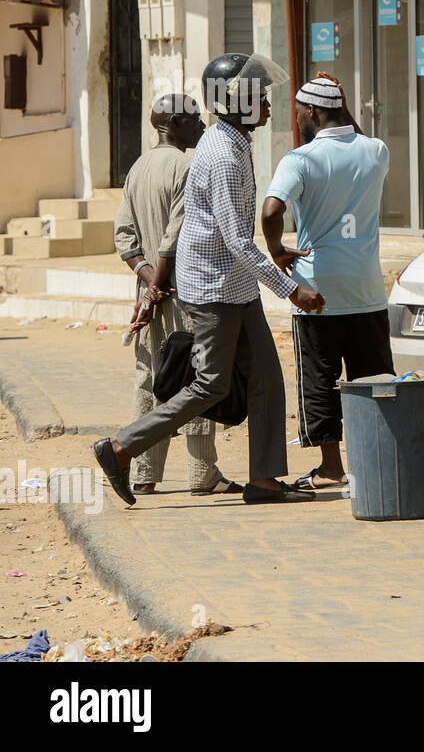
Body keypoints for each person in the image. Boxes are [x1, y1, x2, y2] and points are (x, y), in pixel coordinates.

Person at [92, 53, 326, 507]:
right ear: (233, 101)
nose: (267, 103)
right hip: (216, 289)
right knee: (210, 385)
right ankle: (120, 449)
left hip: (236, 286)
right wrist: (291, 289)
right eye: (258, 96)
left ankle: (264, 481)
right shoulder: (222, 155)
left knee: (266, 379)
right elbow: (238, 240)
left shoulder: (235, 140)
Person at [262, 73, 393, 490]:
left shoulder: (300, 160)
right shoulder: (376, 150)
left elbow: (269, 211)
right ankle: (378, 460)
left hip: (315, 291)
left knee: (318, 377)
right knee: (373, 378)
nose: (297, 117)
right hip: (366, 288)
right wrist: (338, 98)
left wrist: (277, 250)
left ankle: (332, 467)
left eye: (301, 111)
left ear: (313, 112)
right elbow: (351, 132)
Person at [113, 93, 239, 496]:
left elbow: (125, 237)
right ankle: (202, 473)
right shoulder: (187, 166)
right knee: (193, 375)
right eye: (193, 119)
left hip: (153, 294)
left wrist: (149, 283)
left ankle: (143, 473)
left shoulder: (138, 167)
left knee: (150, 377)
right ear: (172, 123)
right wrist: (159, 285)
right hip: (185, 292)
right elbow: (176, 235)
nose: (203, 125)